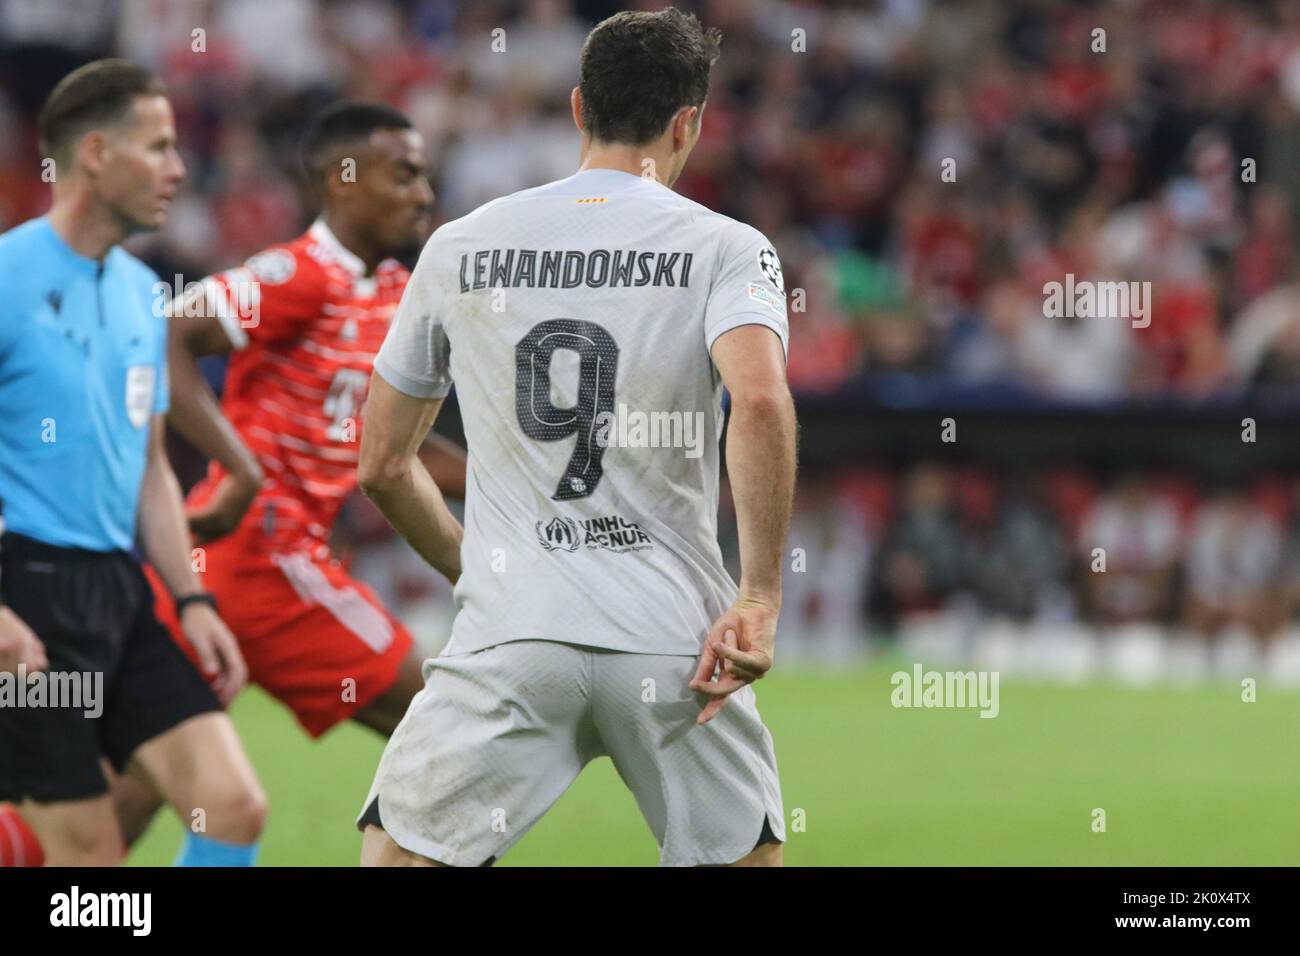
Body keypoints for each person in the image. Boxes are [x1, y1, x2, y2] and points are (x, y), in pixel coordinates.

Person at [356, 7, 797, 867]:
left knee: (400, 858)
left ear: (575, 108)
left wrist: (477, 565)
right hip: (676, 642)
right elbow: (764, 403)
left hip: (515, 632)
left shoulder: (459, 245)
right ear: (688, 123)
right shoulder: (727, 248)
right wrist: (760, 599)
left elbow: (380, 463)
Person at [110, 102, 466, 847]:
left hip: (220, 570)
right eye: (402, 174)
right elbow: (167, 332)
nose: (422, 194)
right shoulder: (301, 275)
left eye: (425, 176)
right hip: (264, 558)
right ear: (342, 183)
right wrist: (239, 466)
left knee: (115, 810)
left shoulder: (395, 294)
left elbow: (392, 455)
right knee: (452, 724)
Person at [0, 59, 265, 866]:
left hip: (117, 591)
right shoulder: (8, 277)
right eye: (157, 147)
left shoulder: (144, 295)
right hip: (24, 595)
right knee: (88, 864)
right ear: (93, 154)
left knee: (230, 806)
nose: (179, 170)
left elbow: (150, 466)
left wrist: (190, 599)